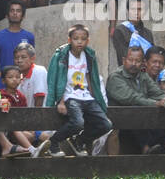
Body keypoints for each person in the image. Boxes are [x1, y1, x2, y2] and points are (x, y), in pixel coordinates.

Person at [38, 24, 113, 158]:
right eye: (76, 38)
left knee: (106, 125)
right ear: (69, 40)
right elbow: (56, 79)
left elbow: (91, 77)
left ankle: (79, 140)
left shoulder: (89, 55)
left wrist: (94, 97)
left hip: (86, 97)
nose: (79, 41)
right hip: (69, 97)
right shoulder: (61, 55)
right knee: (78, 123)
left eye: (83, 39)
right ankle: (54, 142)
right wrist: (59, 101)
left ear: (87, 41)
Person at [106, 44, 165, 154]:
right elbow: (133, 98)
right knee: (136, 109)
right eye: (131, 60)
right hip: (120, 120)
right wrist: (157, 103)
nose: (134, 64)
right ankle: (147, 148)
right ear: (124, 60)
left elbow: (158, 93)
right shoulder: (116, 77)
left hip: (142, 119)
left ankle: (158, 150)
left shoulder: (142, 76)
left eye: (138, 61)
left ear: (143, 62)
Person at [0, 0, 34, 71]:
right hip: (3, 79)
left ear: (23, 16)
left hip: (23, 80)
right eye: (12, 10)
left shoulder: (29, 36)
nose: (15, 13)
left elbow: (31, 60)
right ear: (7, 16)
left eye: (18, 11)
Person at [14, 43, 48, 108]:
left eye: (23, 57)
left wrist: (35, 116)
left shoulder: (39, 71)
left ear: (32, 58)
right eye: (16, 58)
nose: (19, 61)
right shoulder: (19, 77)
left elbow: (39, 98)